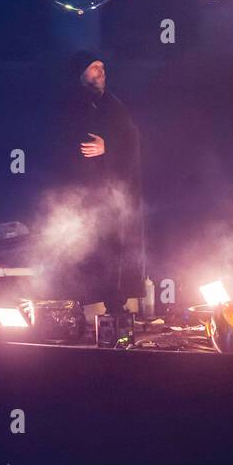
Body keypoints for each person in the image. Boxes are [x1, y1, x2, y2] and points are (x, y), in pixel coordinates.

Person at [60, 53, 145, 315]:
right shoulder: (68, 106)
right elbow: (57, 146)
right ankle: (79, 312)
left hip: (114, 196)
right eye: (94, 67)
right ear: (81, 74)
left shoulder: (114, 105)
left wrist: (109, 147)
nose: (101, 71)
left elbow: (133, 140)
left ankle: (115, 305)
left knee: (114, 250)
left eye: (102, 67)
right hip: (82, 198)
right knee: (81, 250)